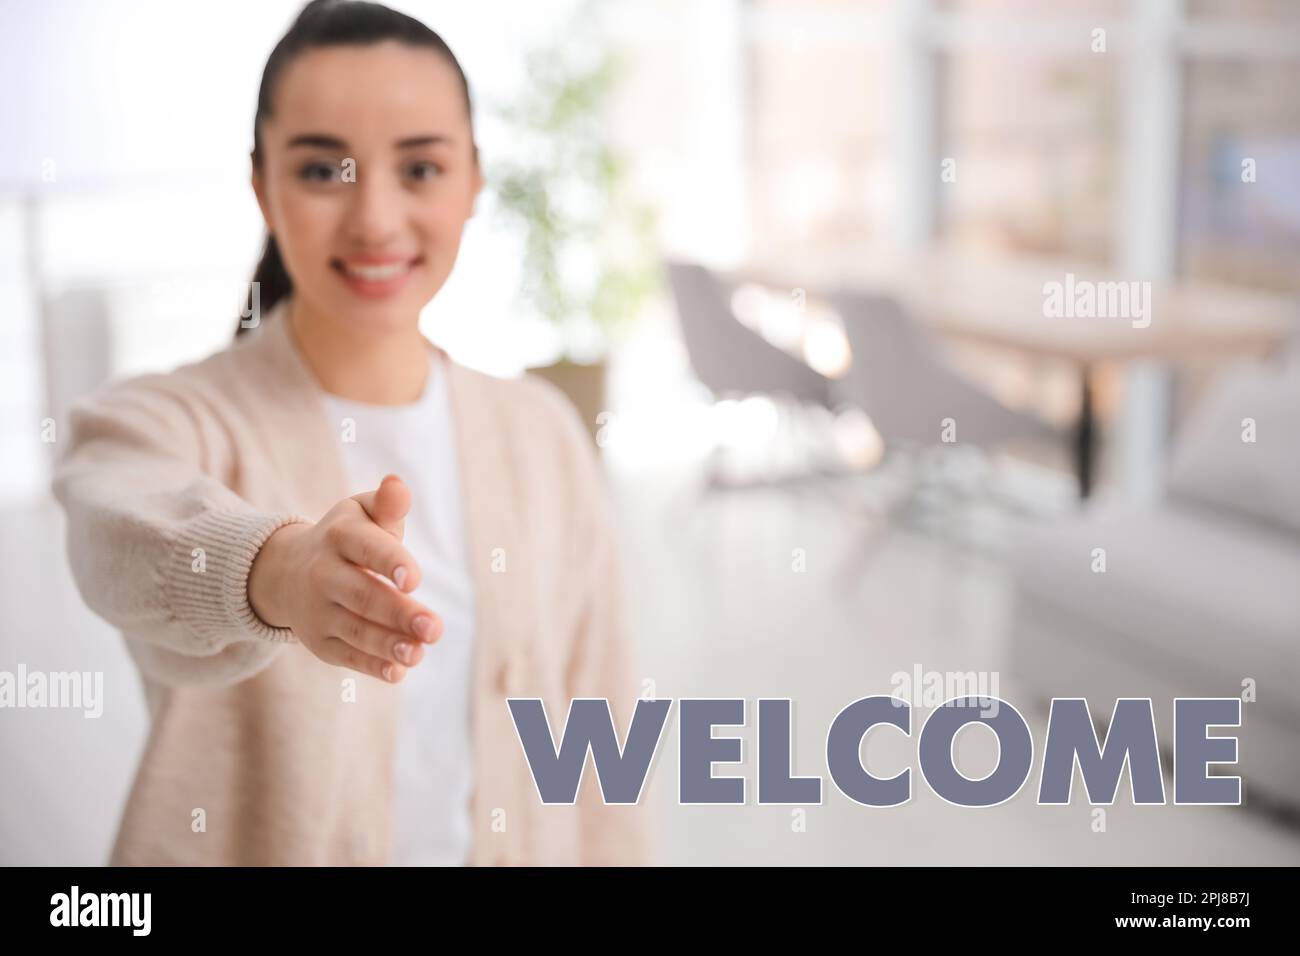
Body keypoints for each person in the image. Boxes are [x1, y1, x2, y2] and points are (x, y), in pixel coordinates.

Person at [51, 0, 652, 866]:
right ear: (262, 185)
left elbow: (600, 734)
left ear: (474, 180)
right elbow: (117, 534)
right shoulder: (166, 419)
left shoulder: (542, 434)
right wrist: (277, 573)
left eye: (419, 169)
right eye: (324, 169)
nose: (373, 218)